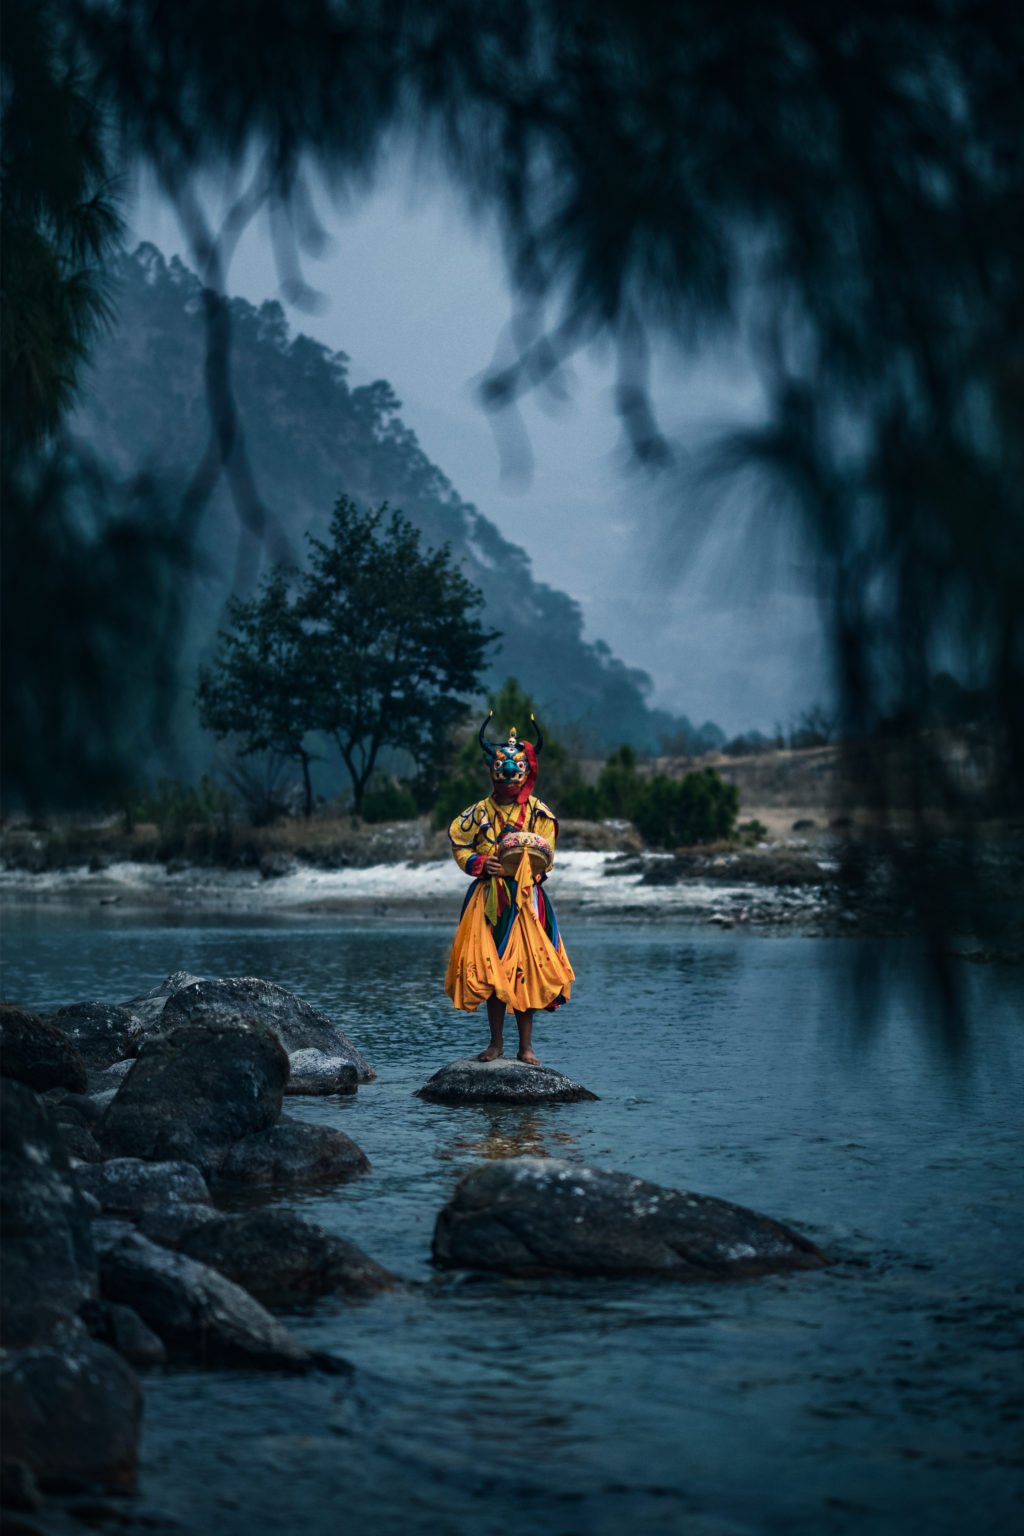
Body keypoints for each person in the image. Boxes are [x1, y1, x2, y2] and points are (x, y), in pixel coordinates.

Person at [445, 714, 574, 1065]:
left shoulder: (539, 812)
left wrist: (526, 869)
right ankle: (496, 1043)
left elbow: (547, 855)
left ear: (526, 772)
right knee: (492, 968)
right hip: (488, 899)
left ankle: (526, 1047)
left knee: (528, 968)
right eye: (502, 768)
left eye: (517, 769)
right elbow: (459, 841)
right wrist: (478, 863)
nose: (509, 775)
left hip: (527, 900)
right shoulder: (478, 812)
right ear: (491, 770)